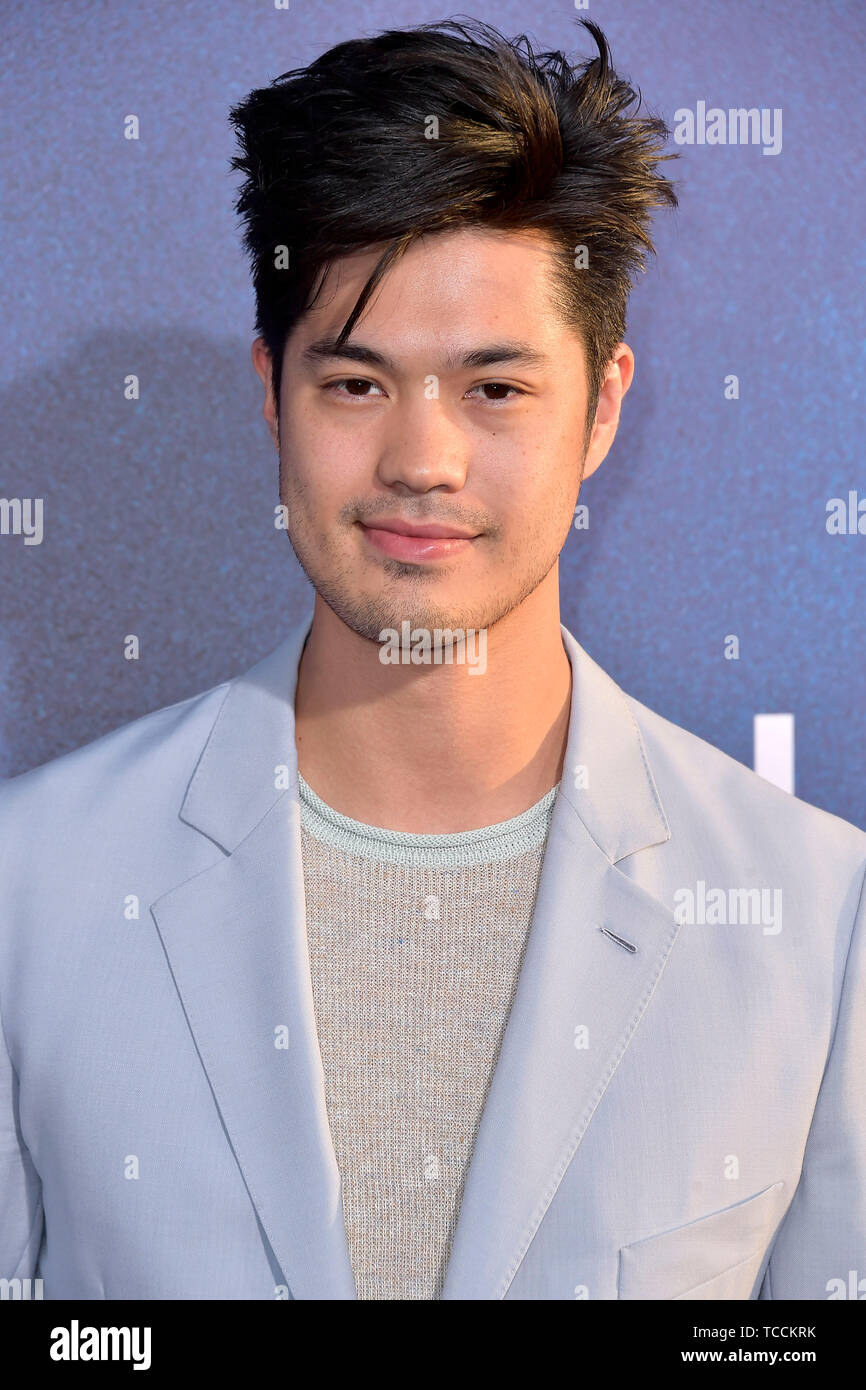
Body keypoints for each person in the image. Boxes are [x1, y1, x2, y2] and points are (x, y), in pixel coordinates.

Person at [1, 17, 863, 1302]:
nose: (422, 461)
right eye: (355, 385)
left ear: (602, 405)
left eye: (493, 390)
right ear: (271, 391)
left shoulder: (816, 915)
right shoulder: (31, 888)